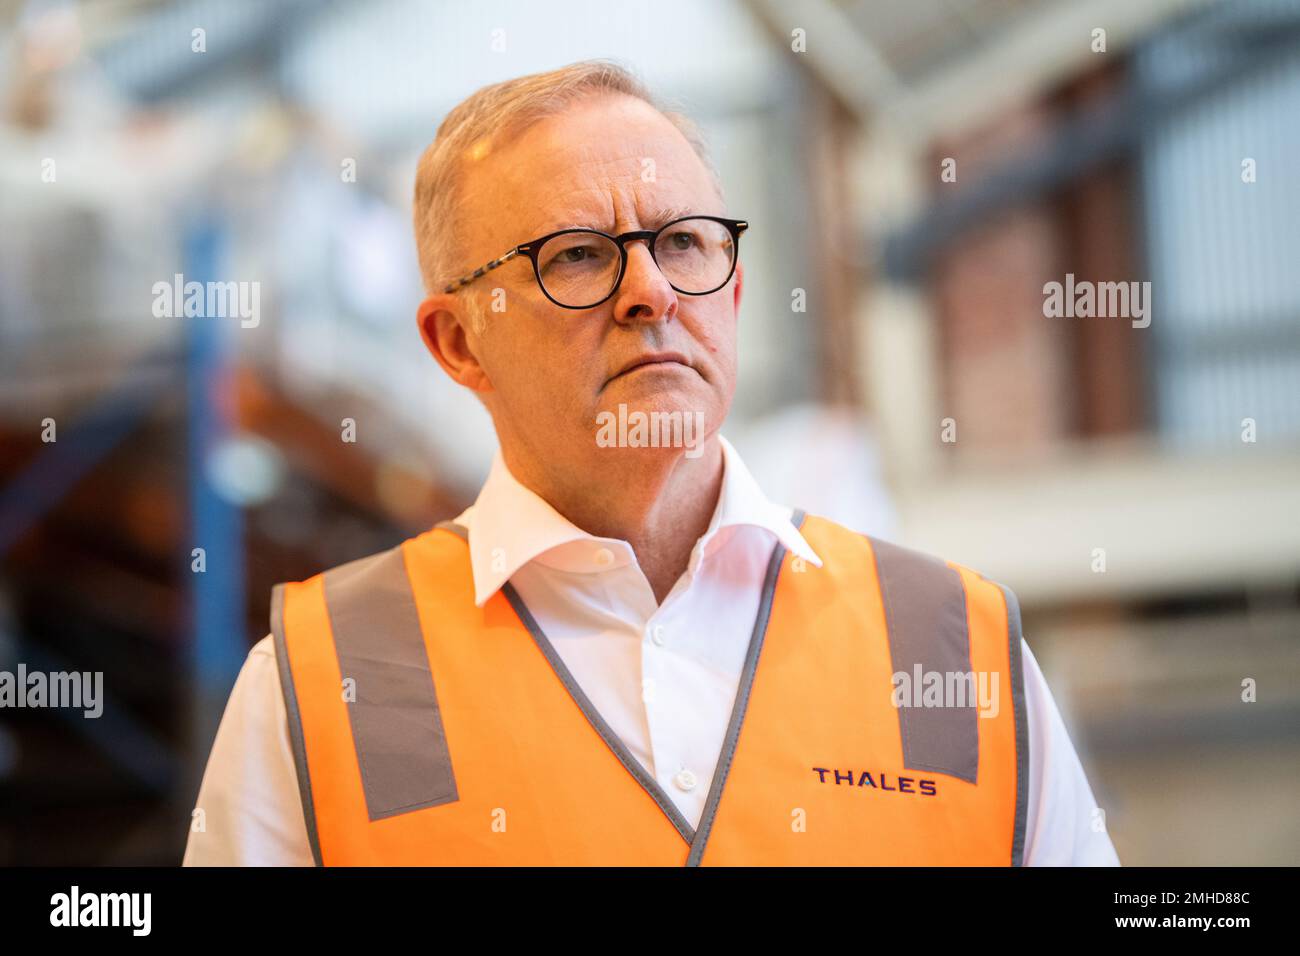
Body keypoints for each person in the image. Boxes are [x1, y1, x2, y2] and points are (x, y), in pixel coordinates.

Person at [183, 59, 1119, 866]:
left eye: (682, 242)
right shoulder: (326, 682)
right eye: (580, 256)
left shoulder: (952, 649)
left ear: (735, 289)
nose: (652, 290)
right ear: (459, 342)